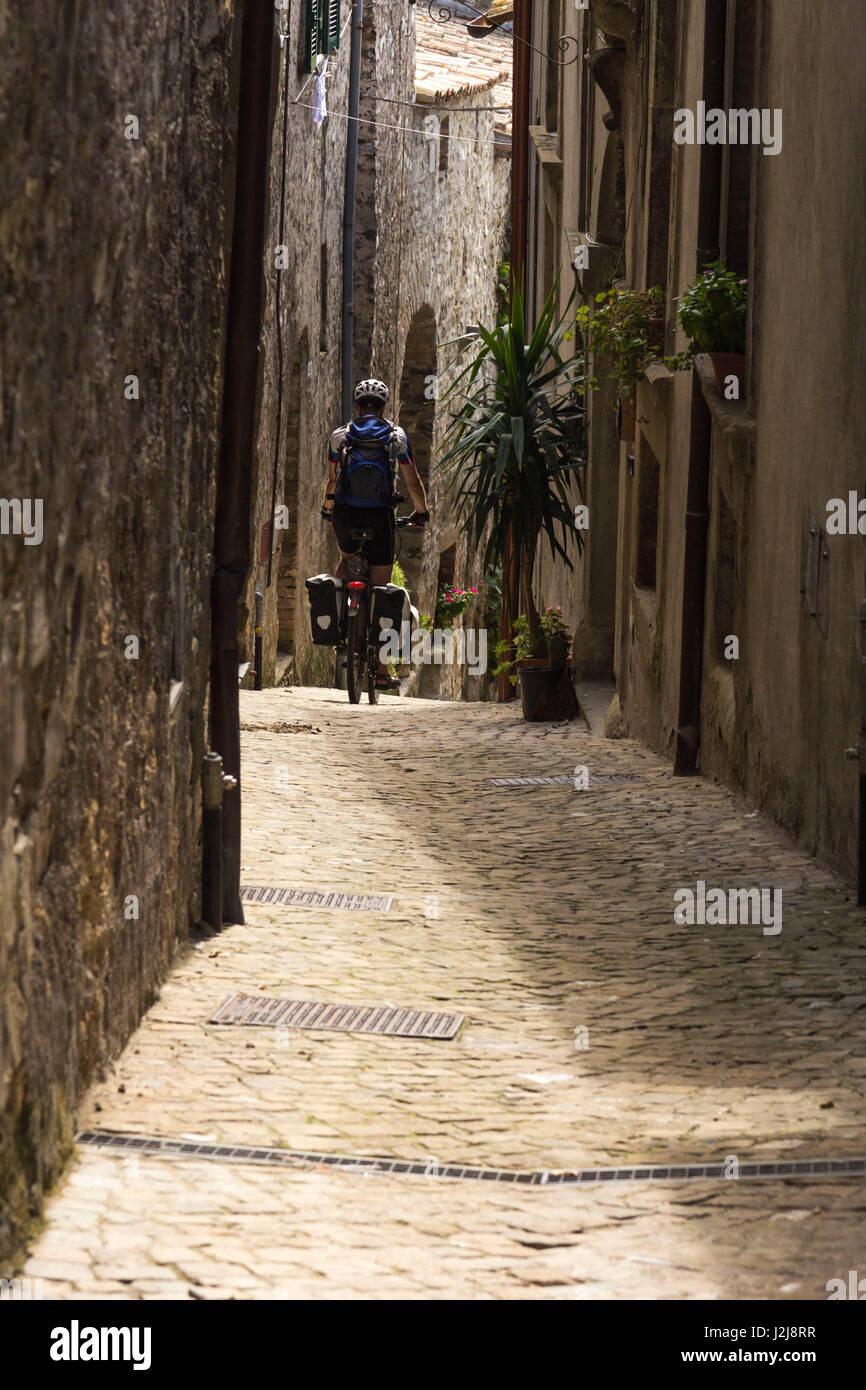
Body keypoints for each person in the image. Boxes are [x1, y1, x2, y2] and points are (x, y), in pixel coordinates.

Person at [321, 378, 429, 687]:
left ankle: (335, 621)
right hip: (380, 517)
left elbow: (332, 480)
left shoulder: (340, 436)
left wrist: (328, 509)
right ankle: (381, 674)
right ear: (383, 407)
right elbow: (412, 482)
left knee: (346, 562)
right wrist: (421, 511)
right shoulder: (396, 438)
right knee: (382, 590)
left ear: (357, 406)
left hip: (345, 514)